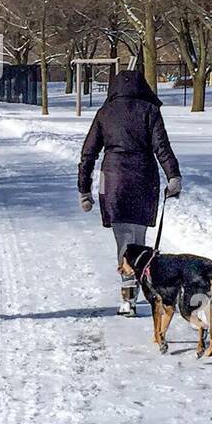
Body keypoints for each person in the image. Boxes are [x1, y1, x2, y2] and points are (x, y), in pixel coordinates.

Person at [77, 68, 182, 316]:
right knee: (139, 240)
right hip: (144, 179)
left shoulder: (105, 113)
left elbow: (88, 153)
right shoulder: (150, 111)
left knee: (123, 240)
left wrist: (84, 189)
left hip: (112, 180)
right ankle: (141, 289)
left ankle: (128, 298)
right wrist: (173, 175)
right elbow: (162, 147)